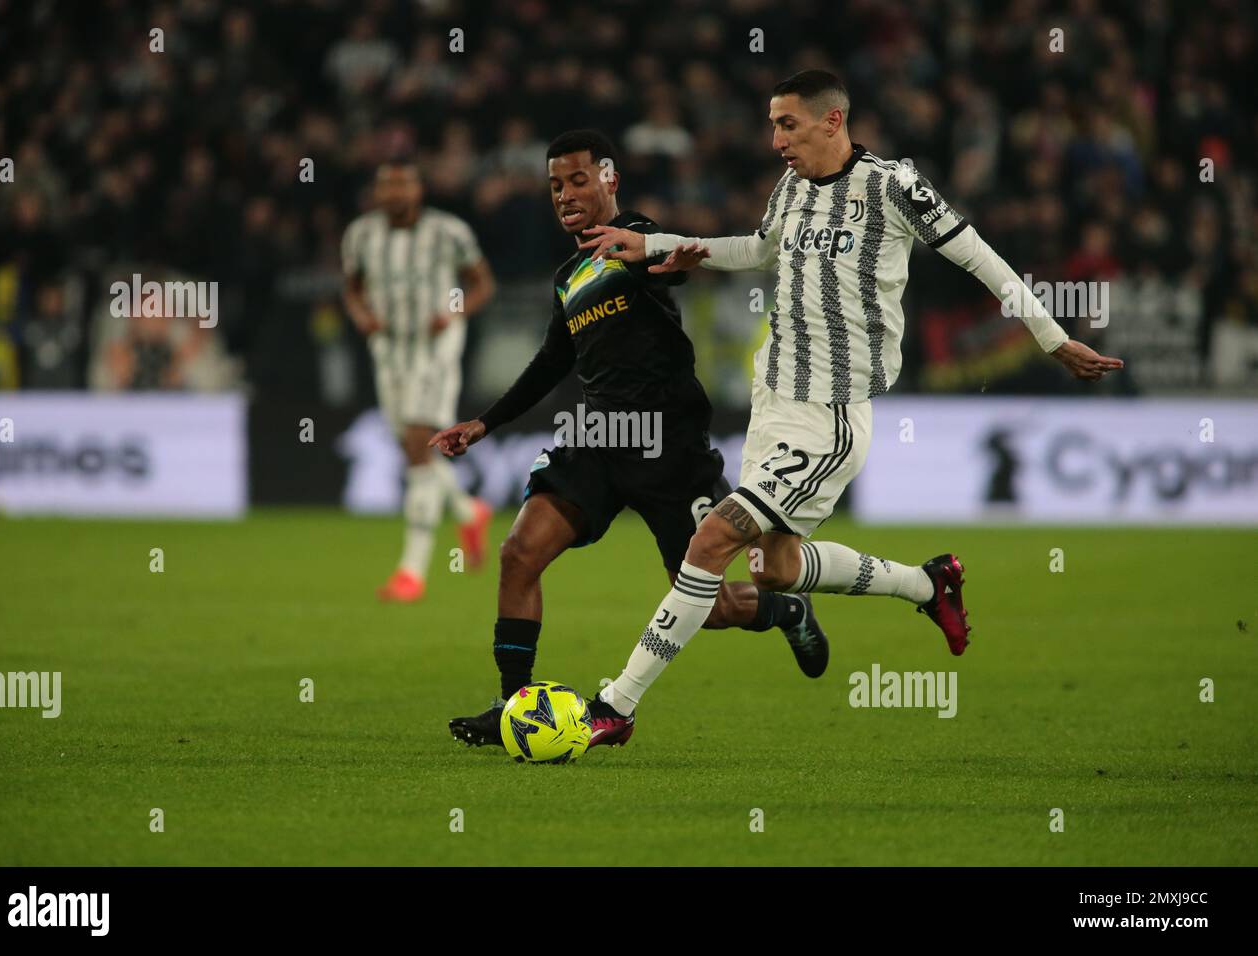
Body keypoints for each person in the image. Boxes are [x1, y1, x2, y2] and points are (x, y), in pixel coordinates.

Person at [577, 70, 1123, 734]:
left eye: (788, 124)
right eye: (773, 124)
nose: (775, 139)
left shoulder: (895, 187)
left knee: (713, 537)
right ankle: (929, 585)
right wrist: (657, 245)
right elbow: (758, 248)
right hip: (773, 399)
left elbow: (979, 256)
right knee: (773, 569)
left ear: (832, 122)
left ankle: (616, 704)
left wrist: (1052, 335)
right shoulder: (791, 187)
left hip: (829, 415)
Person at [433, 130, 829, 750]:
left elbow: (664, 270)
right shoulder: (568, 275)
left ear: (610, 179)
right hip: (597, 436)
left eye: (578, 180)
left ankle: (788, 611)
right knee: (518, 553)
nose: (565, 194)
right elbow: (549, 361)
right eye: (556, 185)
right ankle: (513, 706)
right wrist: (485, 422)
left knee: (715, 605)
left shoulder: (638, 236)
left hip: (669, 447)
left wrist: (664, 262)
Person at [340, 160, 496, 602]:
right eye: (386, 185)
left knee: (417, 442)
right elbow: (352, 286)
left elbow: (482, 283)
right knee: (411, 446)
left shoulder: (449, 232)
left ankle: (412, 572)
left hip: (436, 349)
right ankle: (469, 509)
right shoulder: (361, 235)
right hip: (388, 351)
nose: (394, 193)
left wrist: (454, 312)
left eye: (402, 184)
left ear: (418, 189)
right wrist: (361, 316)